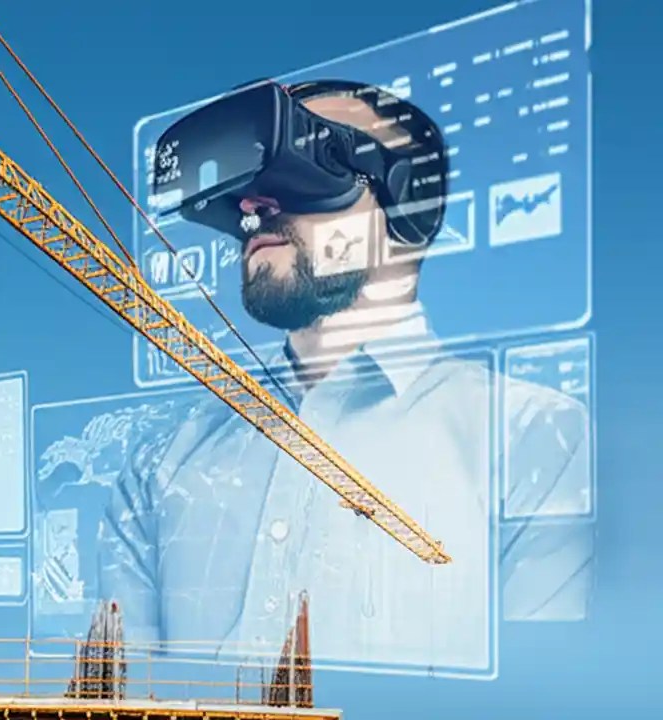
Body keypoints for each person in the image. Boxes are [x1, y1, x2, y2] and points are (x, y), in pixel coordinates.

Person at [98, 81, 592, 672]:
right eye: (250, 189)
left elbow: (551, 691)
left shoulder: (530, 440)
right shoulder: (160, 466)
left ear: (406, 205)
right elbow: (118, 694)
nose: (255, 206)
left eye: (314, 157)